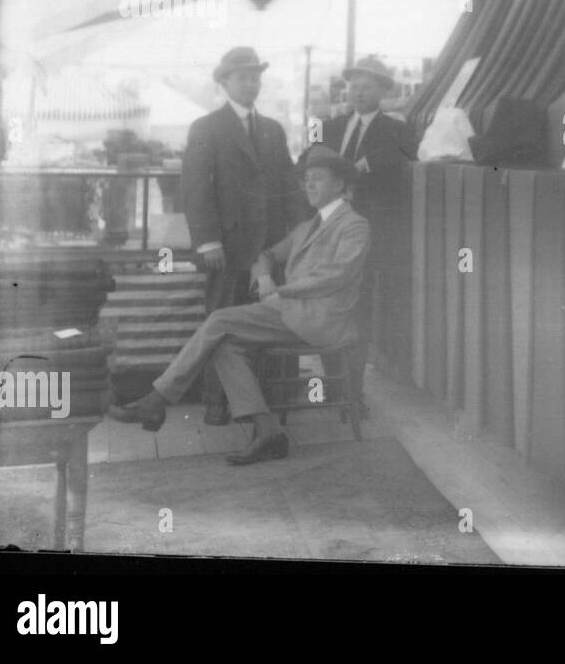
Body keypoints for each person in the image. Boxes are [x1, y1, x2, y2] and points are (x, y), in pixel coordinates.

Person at [109, 146, 371, 465]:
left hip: (322, 320)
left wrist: (283, 292)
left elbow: (338, 275)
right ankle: (267, 431)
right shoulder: (308, 226)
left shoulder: (354, 225)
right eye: (307, 180)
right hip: (292, 313)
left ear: (340, 185)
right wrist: (264, 280)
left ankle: (158, 398)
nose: (310, 186)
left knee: (219, 320)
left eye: (318, 179)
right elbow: (266, 256)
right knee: (223, 346)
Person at [181, 47, 308, 425]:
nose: (251, 83)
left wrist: (302, 232)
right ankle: (217, 404)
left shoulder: (272, 129)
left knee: (269, 322)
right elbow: (194, 188)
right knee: (220, 323)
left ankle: (268, 400)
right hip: (229, 247)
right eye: (242, 77)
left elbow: (288, 185)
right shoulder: (206, 128)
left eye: (255, 77)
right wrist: (207, 241)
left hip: (269, 250)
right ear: (224, 83)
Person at [315, 56, 417, 402]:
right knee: (327, 303)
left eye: (367, 87)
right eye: (354, 86)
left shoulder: (395, 129)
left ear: (382, 92)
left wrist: (362, 165)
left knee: (357, 307)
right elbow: (308, 164)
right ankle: (331, 383)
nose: (358, 92)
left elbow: (402, 155)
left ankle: (352, 391)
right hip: (329, 232)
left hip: (366, 234)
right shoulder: (330, 126)